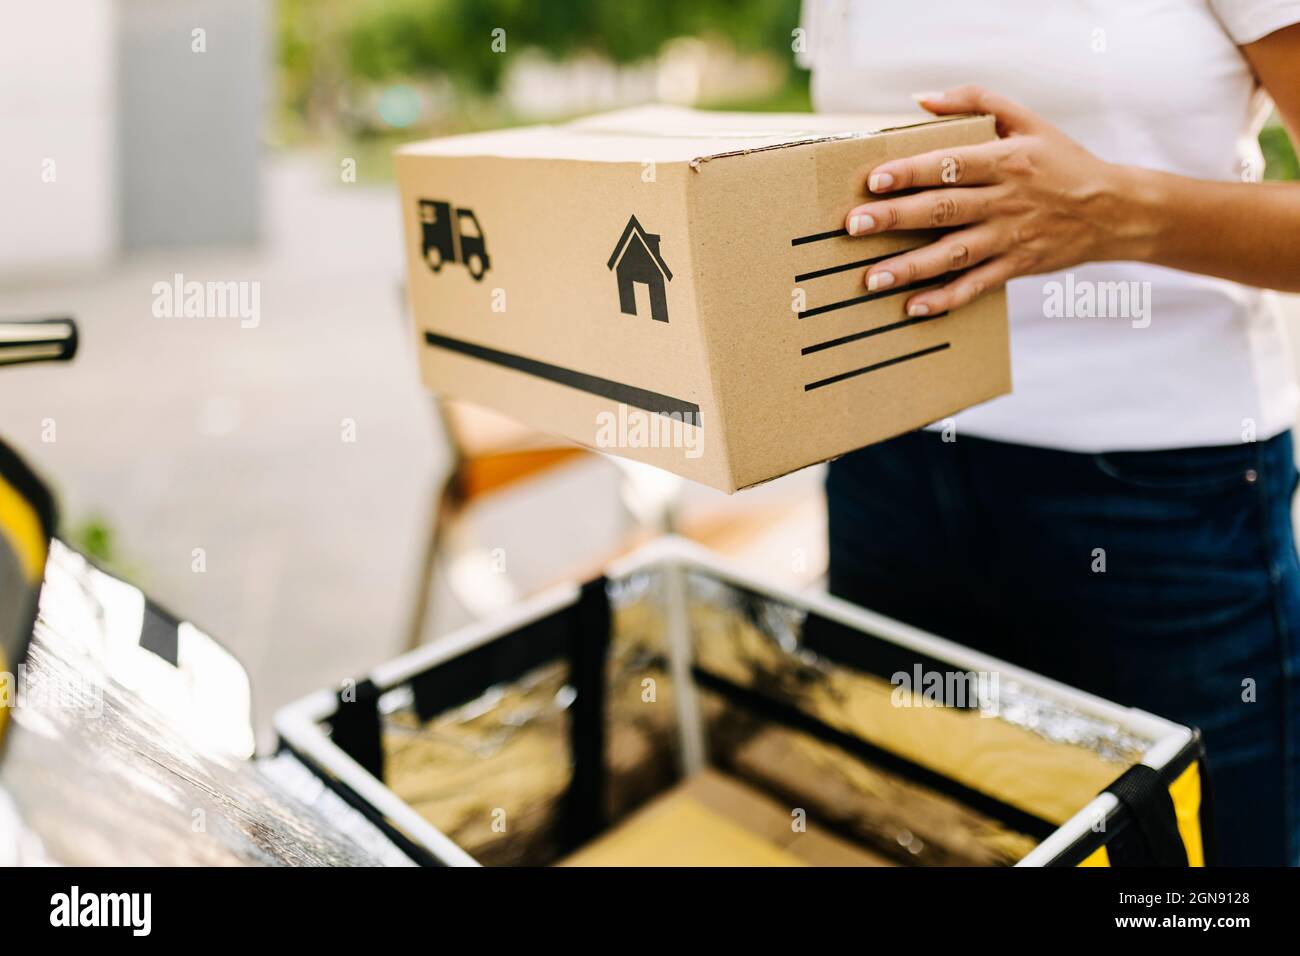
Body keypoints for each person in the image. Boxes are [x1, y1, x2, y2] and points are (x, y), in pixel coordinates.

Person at [801, 0, 1300, 865]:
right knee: (914, 832)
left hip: (1157, 502)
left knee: (1196, 883)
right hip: (884, 464)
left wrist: (1118, 210)